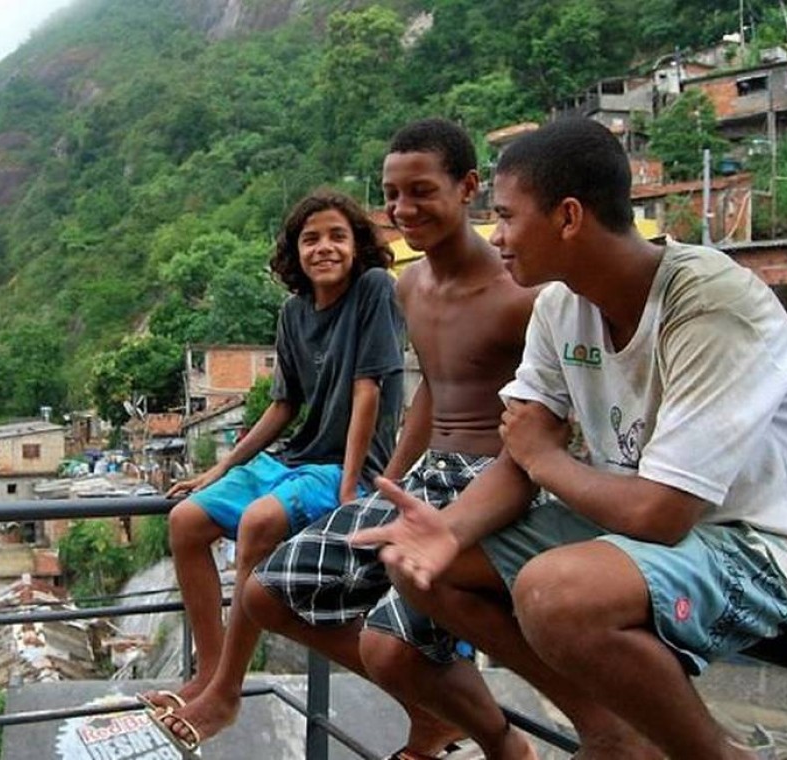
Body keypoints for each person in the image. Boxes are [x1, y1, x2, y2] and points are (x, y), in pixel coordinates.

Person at [353, 118, 787, 759]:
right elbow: (520, 459)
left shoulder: (710, 304)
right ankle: (611, 731)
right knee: (427, 567)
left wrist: (543, 457)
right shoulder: (561, 306)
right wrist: (448, 530)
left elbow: (659, 511)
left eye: (508, 217)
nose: (497, 237)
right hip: (640, 529)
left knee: (554, 593)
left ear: (568, 217)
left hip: (766, 547)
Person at [243, 118, 540, 760]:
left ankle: (498, 739)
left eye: (421, 191)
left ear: (468, 188)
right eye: (392, 194)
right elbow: (433, 387)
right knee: (265, 591)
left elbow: (546, 422)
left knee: (392, 643)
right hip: (424, 475)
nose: (404, 209)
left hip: (491, 483)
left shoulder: (523, 293)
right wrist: (394, 479)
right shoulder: (411, 285)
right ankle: (440, 701)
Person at [144, 190, 406, 749]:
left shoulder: (374, 291)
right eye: (310, 239)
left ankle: (227, 693)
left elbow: (369, 389)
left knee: (261, 523)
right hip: (297, 456)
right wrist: (219, 469)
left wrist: (347, 484)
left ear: (358, 245)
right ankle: (208, 674)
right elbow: (283, 405)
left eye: (337, 235)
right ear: (295, 252)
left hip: (348, 466)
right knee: (186, 522)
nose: (324, 248)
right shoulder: (292, 313)